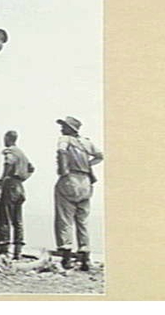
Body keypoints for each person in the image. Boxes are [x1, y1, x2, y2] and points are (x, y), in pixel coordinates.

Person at [54, 116, 104, 271]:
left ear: (70, 129)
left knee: (64, 219)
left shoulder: (64, 139)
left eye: (64, 126)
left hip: (70, 180)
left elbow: (61, 151)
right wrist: (87, 165)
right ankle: (85, 258)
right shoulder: (86, 142)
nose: (62, 128)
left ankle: (67, 258)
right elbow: (100, 156)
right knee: (82, 221)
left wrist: (63, 171)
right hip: (86, 182)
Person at [0, 130, 34, 259]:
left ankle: (3, 250)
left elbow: (8, 163)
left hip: (10, 185)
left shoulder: (10, 151)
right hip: (20, 187)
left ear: (8, 138)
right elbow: (31, 168)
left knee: (4, 217)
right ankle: (17, 251)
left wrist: (2, 179)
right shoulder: (21, 153)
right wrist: (23, 178)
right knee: (18, 220)